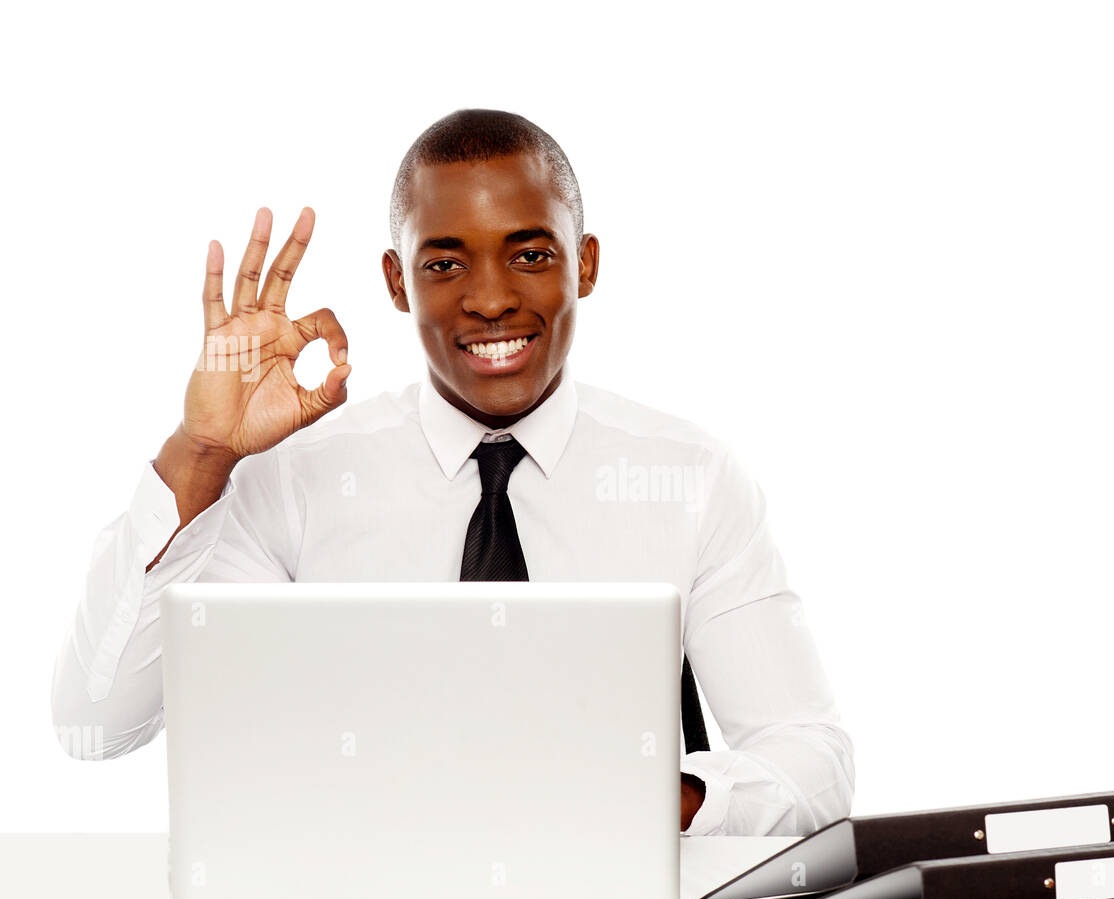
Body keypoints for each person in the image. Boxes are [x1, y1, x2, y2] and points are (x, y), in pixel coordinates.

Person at [51, 108, 854, 835]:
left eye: (531, 253)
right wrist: (202, 454)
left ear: (587, 264)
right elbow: (95, 720)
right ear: (396, 283)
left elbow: (812, 761)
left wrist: (654, 797)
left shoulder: (692, 478)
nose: (492, 299)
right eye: (445, 264)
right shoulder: (289, 481)